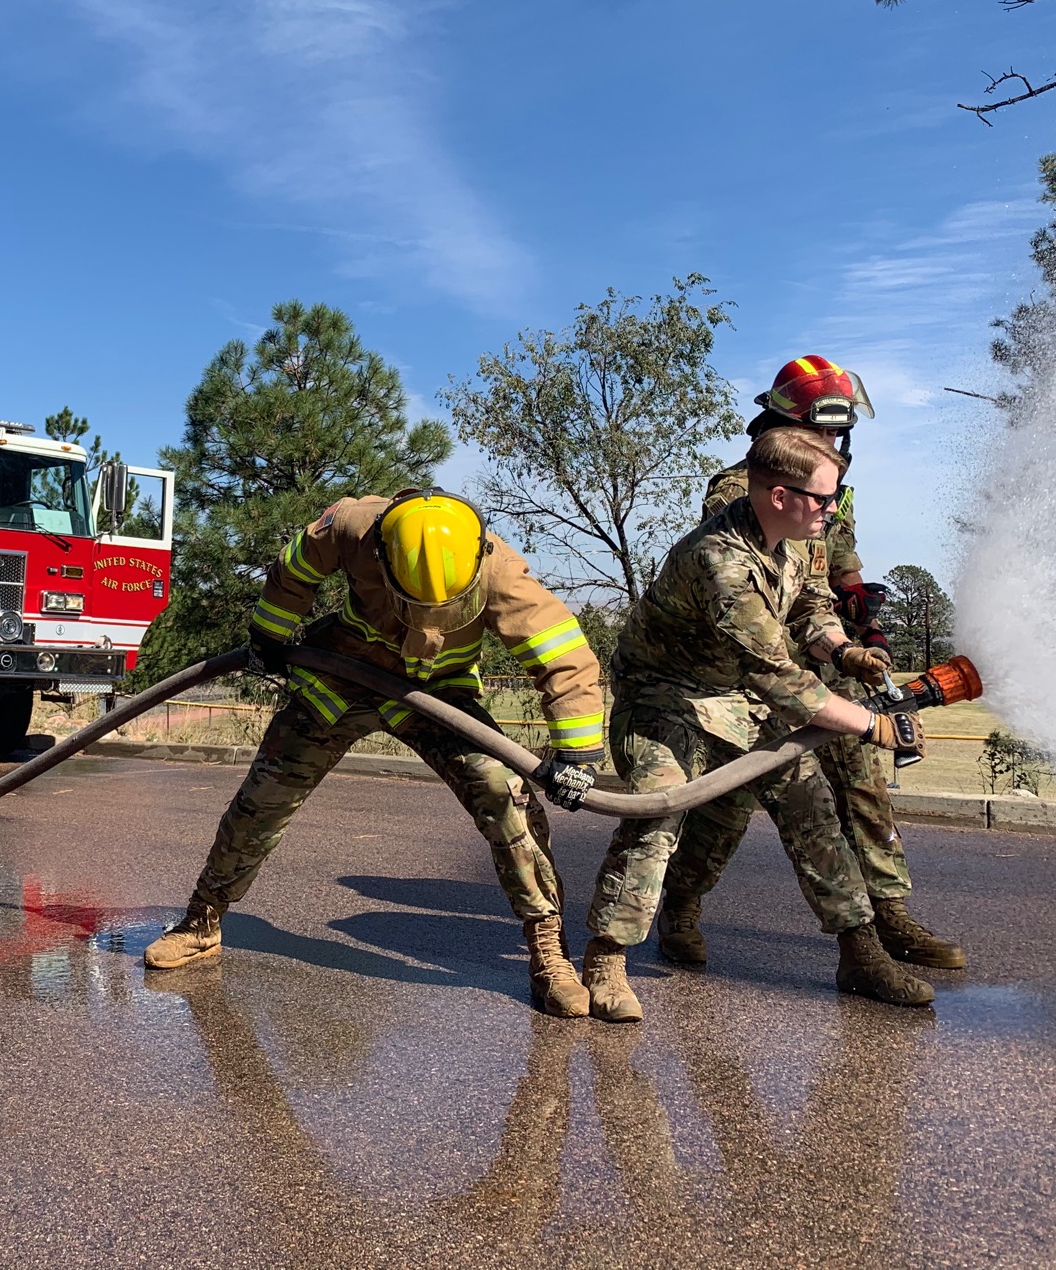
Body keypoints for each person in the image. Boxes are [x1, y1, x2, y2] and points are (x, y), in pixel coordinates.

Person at [142, 490, 610, 1018]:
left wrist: (578, 755)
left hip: (439, 695)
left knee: (507, 800)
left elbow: (564, 656)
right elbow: (292, 571)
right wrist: (270, 636)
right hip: (342, 679)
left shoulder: (498, 568)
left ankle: (549, 955)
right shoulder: (350, 527)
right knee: (265, 796)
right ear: (383, 557)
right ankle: (202, 921)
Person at [579, 426, 935, 1022]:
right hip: (664, 698)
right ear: (779, 497)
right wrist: (872, 726)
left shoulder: (795, 541)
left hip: (736, 695)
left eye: (835, 498)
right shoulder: (720, 562)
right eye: (823, 499)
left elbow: (809, 607)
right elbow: (780, 680)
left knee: (812, 807)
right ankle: (606, 958)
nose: (832, 510)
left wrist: (843, 651)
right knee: (658, 806)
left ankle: (861, 954)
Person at [658, 356, 965, 971]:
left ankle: (889, 916)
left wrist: (862, 625)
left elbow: (837, 564)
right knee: (732, 803)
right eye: (825, 431)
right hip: (760, 673)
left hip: (825, 662)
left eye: (839, 434)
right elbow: (748, 590)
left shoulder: (831, 487)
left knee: (864, 787)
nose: (834, 443)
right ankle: (681, 909)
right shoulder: (741, 487)